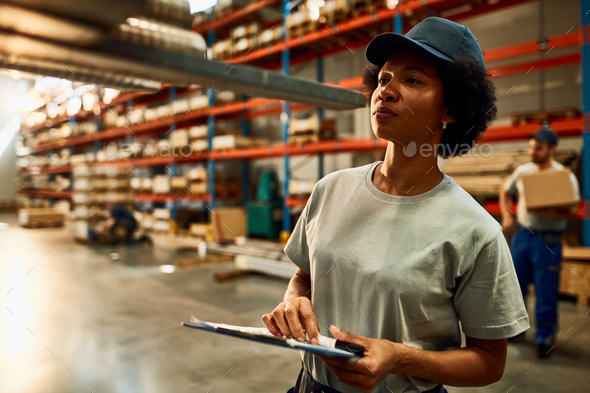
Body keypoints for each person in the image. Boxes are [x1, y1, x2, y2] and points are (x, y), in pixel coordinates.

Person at [262, 17, 529, 393]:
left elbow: (489, 361)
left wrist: (402, 358)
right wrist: (293, 302)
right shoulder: (331, 189)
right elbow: (305, 276)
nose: (386, 90)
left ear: (451, 108)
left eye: (413, 79)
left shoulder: (474, 231)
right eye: (384, 78)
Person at [500, 125, 579, 358]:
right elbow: (506, 191)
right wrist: (507, 216)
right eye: (532, 147)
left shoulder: (564, 176)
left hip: (548, 239)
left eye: (539, 148)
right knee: (516, 286)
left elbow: (573, 210)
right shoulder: (524, 171)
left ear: (552, 149)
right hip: (523, 236)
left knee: (546, 290)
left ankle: (545, 337)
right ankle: (517, 329)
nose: (533, 151)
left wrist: (550, 210)